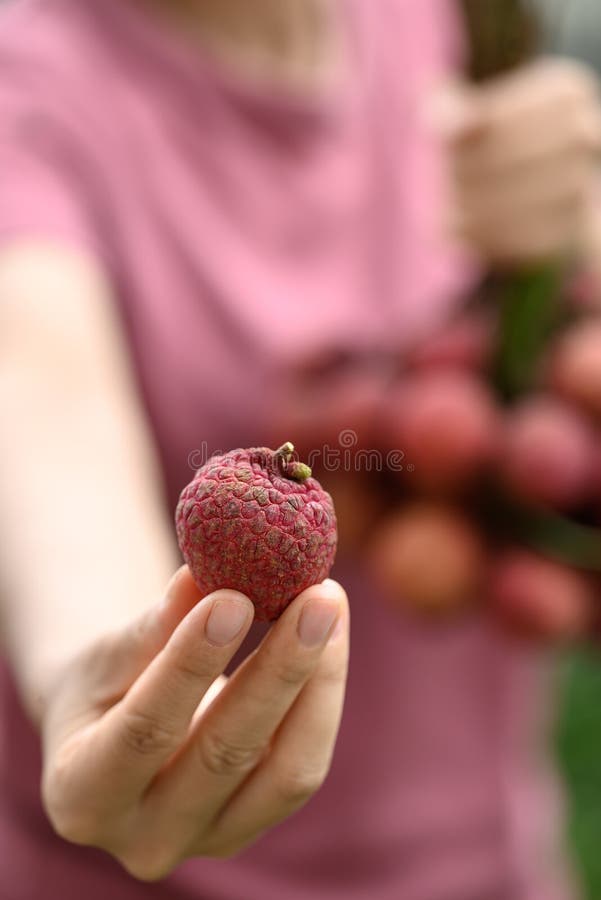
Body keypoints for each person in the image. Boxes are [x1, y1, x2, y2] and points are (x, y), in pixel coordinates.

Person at [0, 0, 600, 898]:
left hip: (490, 864)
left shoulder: (461, 26)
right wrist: (99, 679)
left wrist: (577, 241)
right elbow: (42, 401)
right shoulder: (30, 80)